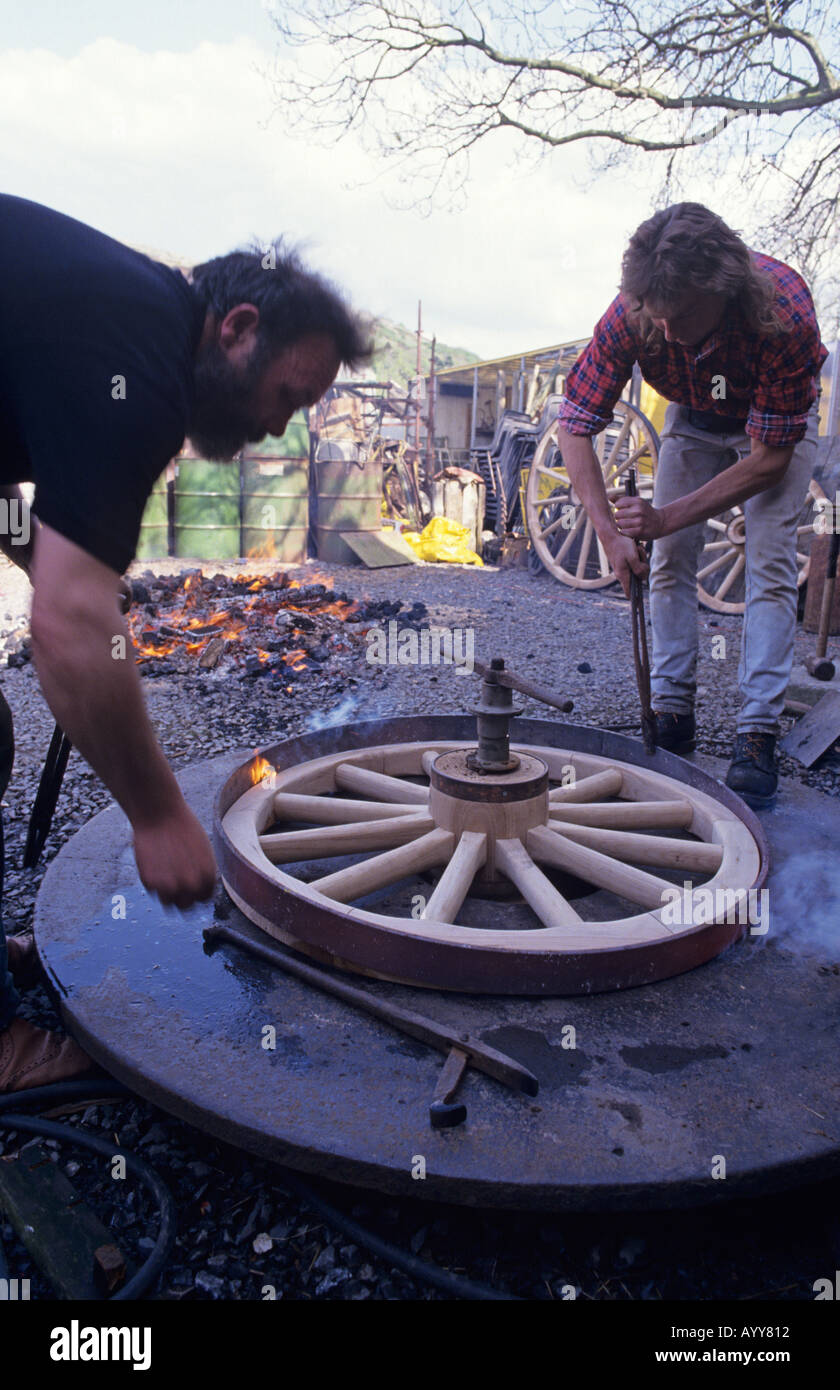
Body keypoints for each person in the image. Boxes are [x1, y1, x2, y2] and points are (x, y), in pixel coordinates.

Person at [0, 193, 373, 1090]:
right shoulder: (144, 367)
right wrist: (158, 814)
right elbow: (70, 629)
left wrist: (46, 549)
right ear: (238, 327)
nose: (279, 429)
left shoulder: (115, 315)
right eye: (288, 395)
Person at [557, 202, 826, 810]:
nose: (668, 332)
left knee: (771, 563)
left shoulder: (782, 309)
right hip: (694, 420)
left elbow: (769, 463)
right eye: (658, 316)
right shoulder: (634, 311)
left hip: (773, 429)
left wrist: (663, 518)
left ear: (723, 286)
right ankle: (672, 707)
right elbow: (575, 425)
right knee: (670, 560)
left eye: (681, 318)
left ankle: (757, 730)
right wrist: (612, 534)